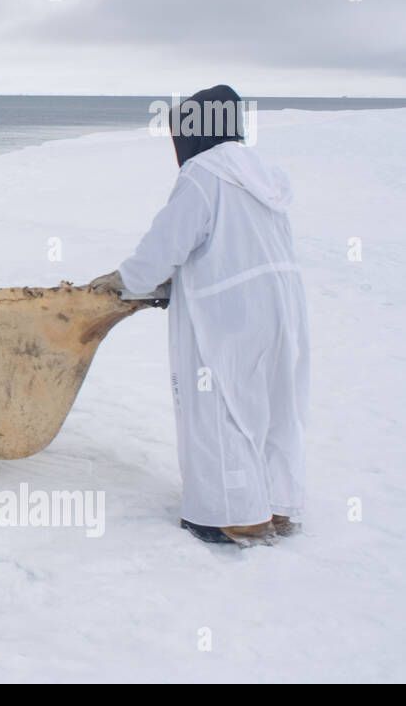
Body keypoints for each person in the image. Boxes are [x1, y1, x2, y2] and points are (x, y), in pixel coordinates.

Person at [89, 85, 309, 547]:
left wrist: (124, 279)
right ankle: (277, 505)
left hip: (226, 312)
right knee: (274, 404)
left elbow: (166, 246)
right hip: (282, 305)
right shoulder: (263, 175)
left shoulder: (203, 174)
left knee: (220, 405)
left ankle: (232, 516)